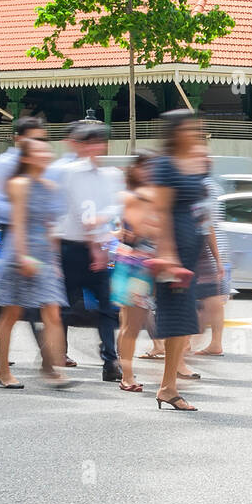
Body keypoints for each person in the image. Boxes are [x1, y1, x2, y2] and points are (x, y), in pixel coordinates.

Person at [0, 135, 72, 390]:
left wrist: (55, 260)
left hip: (45, 257)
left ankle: (53, 369)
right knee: (11, 314)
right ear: (26, 157)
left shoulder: (51, 187)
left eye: (47, 152)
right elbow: (18, 223)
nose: (45, 155)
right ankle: (3, 370)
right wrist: (23, 256)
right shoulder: (19, 184)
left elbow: (50, 226)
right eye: (39, 152)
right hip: (18, 255)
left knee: (54, 313)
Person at [0, 116, 49, 365]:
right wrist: (22, 212)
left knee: (13, 300)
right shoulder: (3, 164)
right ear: (19, 138)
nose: (38, 144)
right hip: (12, 231)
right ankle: (47, 354)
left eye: (41, 139)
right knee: (20, 298)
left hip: (35, 234)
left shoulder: (39, 165)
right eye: (33, 139)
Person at [55, 120, 122, 382]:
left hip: (100, 247)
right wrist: (96, 242)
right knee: (65, 307)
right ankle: (59, 355)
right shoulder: (70, 173)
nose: (95, 147)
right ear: (81, 147)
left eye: (99, 142)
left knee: (107, 307)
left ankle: (110, 360)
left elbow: (115, 208)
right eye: (89, 142)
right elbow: (79, 212)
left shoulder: (112, 175)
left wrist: (101, 241)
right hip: (72, 248)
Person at [150, 110, 207, 411]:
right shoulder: (164, 165)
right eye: (189, 128)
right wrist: (168, 255)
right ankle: (167, 387)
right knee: (178, 319)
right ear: (175, 132)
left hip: (191, 253)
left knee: (183, 321)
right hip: (173, 256)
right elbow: (161, 213)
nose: (195, 133)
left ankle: (168, 386)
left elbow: (203, 206)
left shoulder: (196, 161)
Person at [113, 155, 160, 392]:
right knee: (131, 324)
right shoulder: (132, 197)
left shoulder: (145, 196)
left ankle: (126, 373)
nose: (151, 172)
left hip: (140, 265)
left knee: (131, 323)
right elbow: (139, 229)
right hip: (135, 265)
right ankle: (126, 376)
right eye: (146, 167)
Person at [190, 140, 227, 359]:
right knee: (211, 299)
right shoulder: (208, 185)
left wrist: (218, 259)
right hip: (210, 248)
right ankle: (210, 342)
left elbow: (208, 224)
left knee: (209, 300)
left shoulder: (205, 187)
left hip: (206, 248)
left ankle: (207, 342)